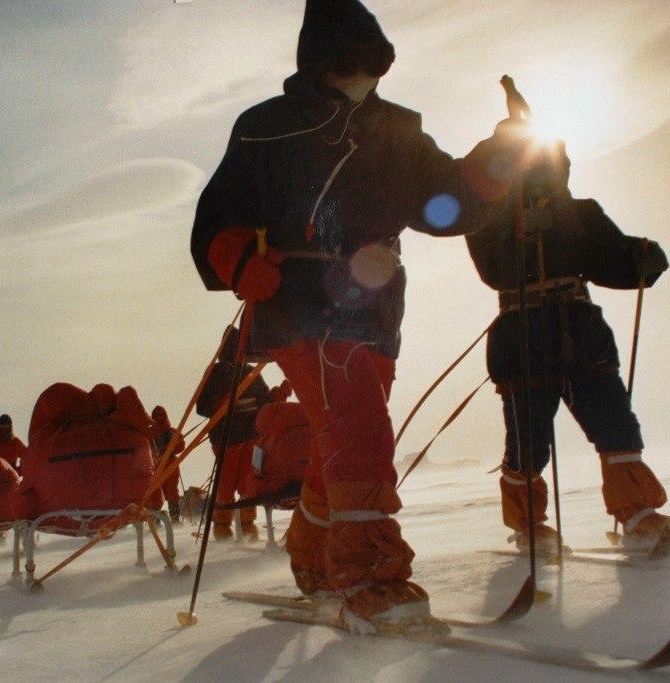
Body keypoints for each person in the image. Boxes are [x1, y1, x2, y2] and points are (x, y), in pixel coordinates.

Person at [190, 0, 536, 629]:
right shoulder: (263, 126)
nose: (361, 75)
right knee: (358, 431)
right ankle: (369, 578)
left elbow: (448, 205)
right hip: (297, 299)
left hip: (375, 307)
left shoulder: (397, 130)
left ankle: (316, 559)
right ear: (319, 63)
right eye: (348, 63)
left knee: (341, 437)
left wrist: (503, 152)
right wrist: (238, 258)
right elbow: (217, 216)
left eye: (372, 63)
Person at [464, 141, 670, 555]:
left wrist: (641, 257)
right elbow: (494, 271)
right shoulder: (486, 218)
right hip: (523, 334)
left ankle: (639, 513)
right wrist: (520, 234)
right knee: (528, 440)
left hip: (580, 328)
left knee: (614, 422)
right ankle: (529, 526)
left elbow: (610, 261)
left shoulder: (582, 213)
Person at [197, 327, 272, 541]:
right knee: (227, 482)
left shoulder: (251, 372)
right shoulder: (215, 373)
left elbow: (265, 402)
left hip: (249, 435)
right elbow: (202, 405)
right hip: (226, 437)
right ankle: (223, 525)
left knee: (247, 482)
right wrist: (218, 403)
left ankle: (246, 524)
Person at [150, 405, 185, 524]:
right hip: (163, 465)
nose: (159, 418)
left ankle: (159, 518)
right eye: (157, 416)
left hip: (164, 465)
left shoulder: (151, 433)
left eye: (161, 415)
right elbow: (181, 445)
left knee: (163, 491)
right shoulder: (171, 432)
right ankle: (168, 518)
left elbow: (180, 446)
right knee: (164, 492)